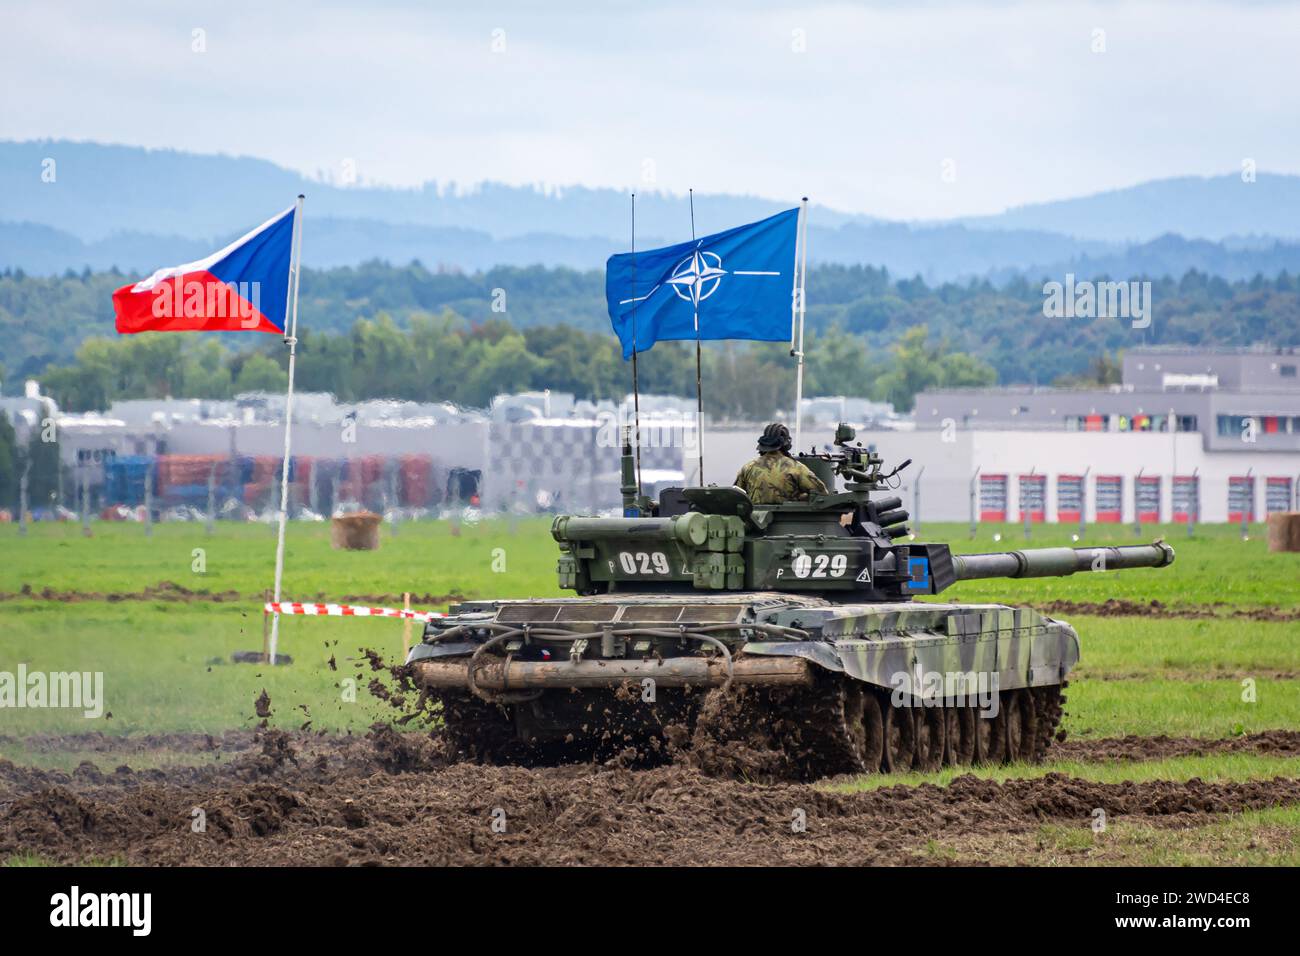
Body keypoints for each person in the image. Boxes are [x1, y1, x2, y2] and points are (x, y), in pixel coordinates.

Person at [733, 423, 828, 505]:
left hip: (755, 521)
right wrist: (801, 497)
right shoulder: (796, 468)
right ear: (786, 444)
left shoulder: (748, 467)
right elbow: (822, 493)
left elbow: (736, 494)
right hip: (789, 520)